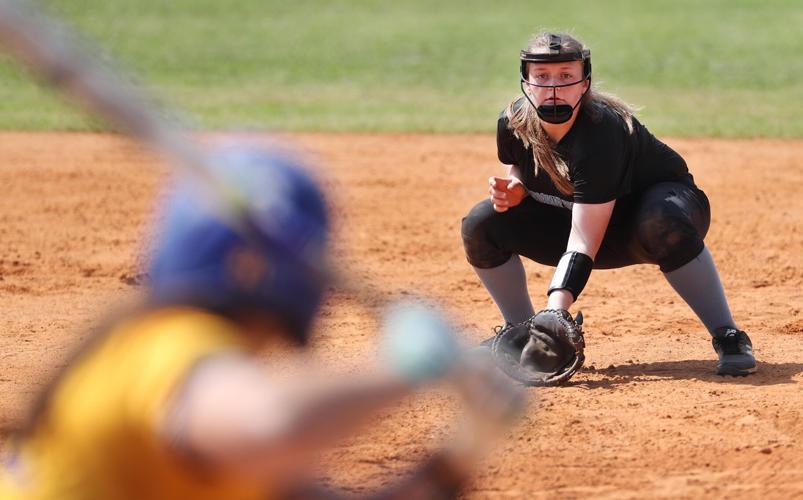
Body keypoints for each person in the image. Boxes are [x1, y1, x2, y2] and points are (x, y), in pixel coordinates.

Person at [0, 145, 521, 499]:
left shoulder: (183, 371)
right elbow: (271, 420)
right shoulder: (162, 345)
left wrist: (464, 448)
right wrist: (406, 366)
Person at [461, 31, 755, 377]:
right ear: (526, 79)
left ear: (584, 81)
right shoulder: (513, 123)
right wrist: (517, 188)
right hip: (583, 218)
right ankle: (522, 332)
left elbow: (585, 239)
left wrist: (556, 312)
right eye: (542, 76)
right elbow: (522, 165)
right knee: (482, 222)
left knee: (660, 220)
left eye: (566, 75)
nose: (553, 86)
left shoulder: (602, 131)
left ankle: (728, 334)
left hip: (654, 217)